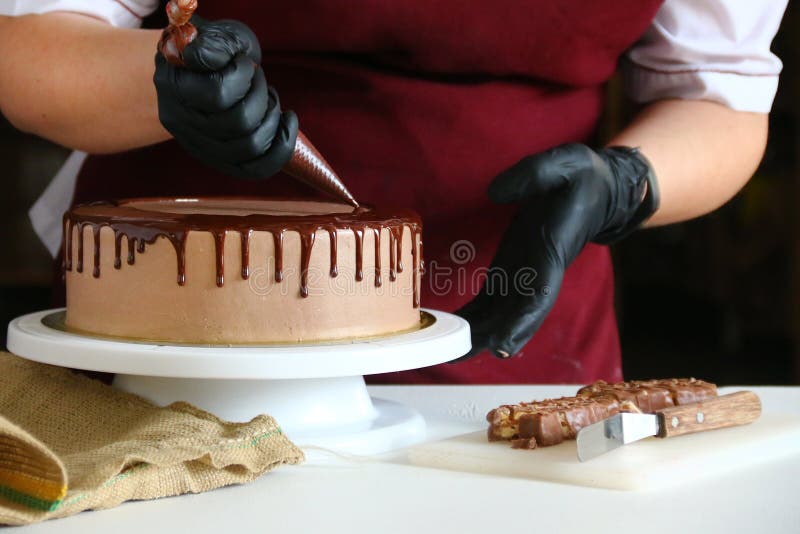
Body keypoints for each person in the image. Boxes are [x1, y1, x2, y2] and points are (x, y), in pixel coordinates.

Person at [0, 1, 788, 384]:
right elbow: (29, 48)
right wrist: (168, 82)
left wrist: (624, 182)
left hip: (514, 329)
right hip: (173, 350)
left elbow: (720, 98)